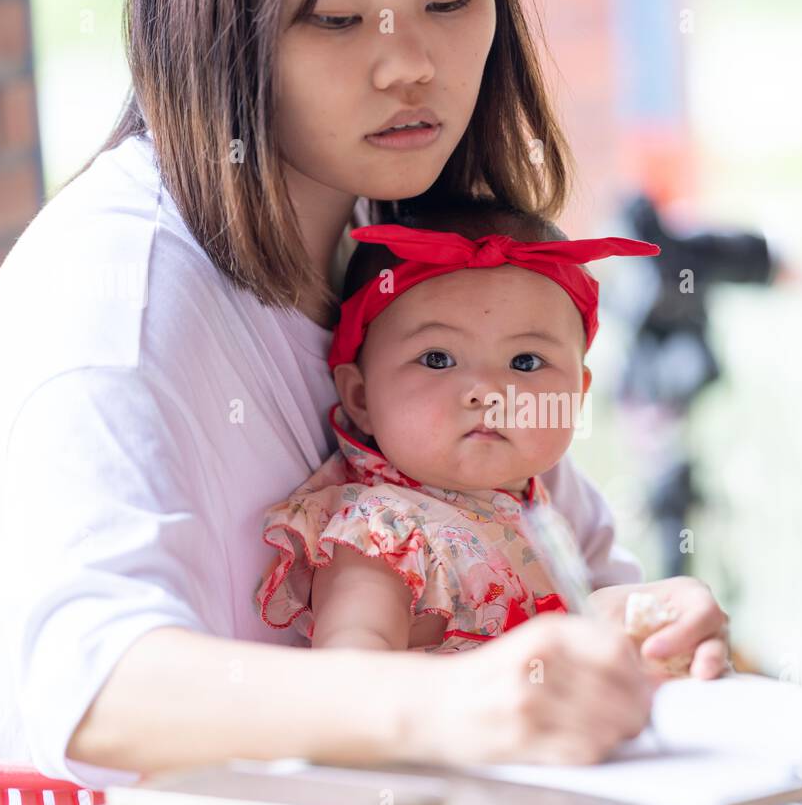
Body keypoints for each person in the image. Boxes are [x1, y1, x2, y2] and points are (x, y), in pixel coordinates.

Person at [0, 0, 729, 805]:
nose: (411, 64)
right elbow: (96, 690)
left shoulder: (414, 253)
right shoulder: (118, 293)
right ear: (216, 31)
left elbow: (549, 569)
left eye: (452, 2)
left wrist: (628, 637)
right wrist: (461, 698)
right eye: (340, 18)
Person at [256, 199, 669, 654]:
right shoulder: (385, 537)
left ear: (576, 396)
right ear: (360, 397)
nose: (488, 391)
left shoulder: (543, 514)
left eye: (526, 362)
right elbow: (351, 684)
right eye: (437, 359)